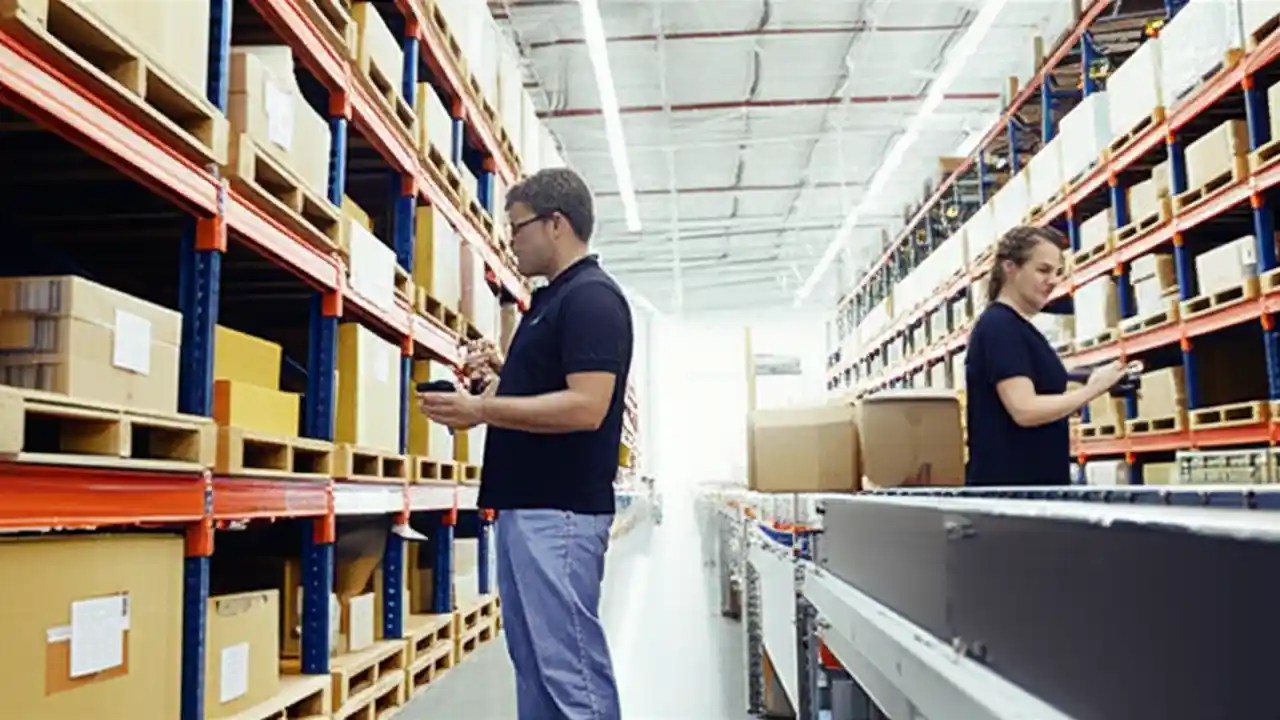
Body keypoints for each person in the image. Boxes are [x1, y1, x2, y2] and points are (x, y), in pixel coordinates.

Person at [418, 167, 632, 720]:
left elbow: (587, 407)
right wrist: (501, 375)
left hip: (558, 514)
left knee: (569, 672)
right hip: (529, 508)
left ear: (555, 224)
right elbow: (548, 391)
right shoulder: (553, 301)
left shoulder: (591, 299)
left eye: (518, 228)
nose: (511, 243)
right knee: (535, 665)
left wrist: (482, 409)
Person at [965, 225, 1128, 486]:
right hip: (1013, 496)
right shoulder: (999, 326)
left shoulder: (1018, 328)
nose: (1053, 280)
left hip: (1031, 491)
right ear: (1010, 268)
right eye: (1043, 270)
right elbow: (1025, 409)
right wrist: (1093, 390)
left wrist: (1089, 378)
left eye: (1057, 272)